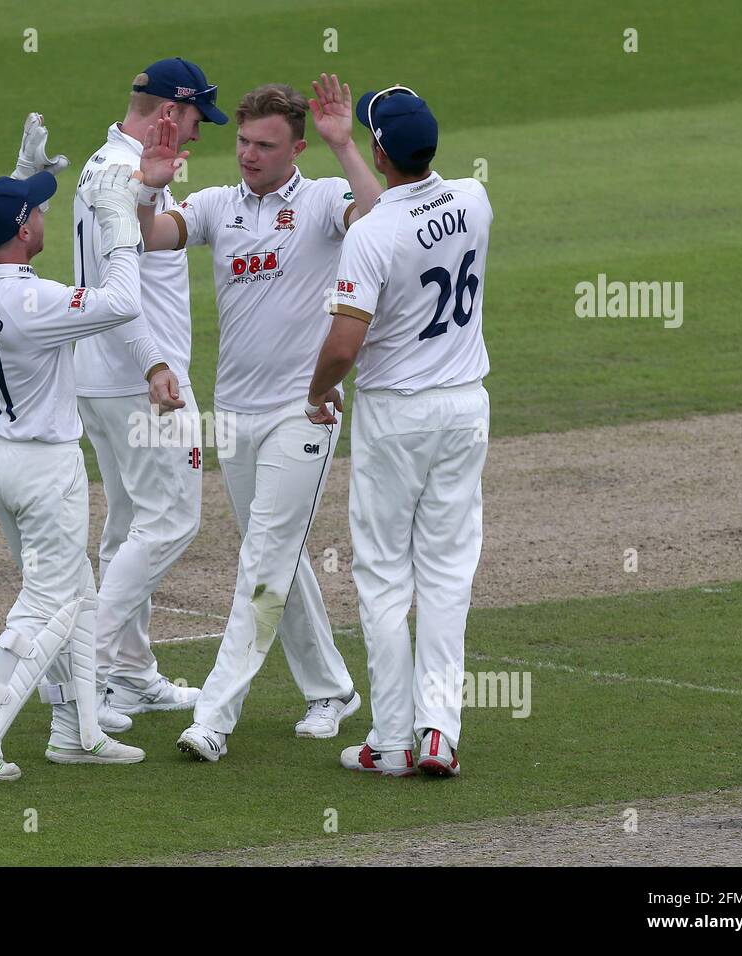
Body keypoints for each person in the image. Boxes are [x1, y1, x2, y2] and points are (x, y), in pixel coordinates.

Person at [136, 77, 383, 761]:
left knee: (262, 560)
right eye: (243, 141)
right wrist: (149, 185)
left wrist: (346, 147)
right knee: (277, 554)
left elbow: (383, 218)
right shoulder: (217, 204)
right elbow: (149, 236)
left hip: (305, 408)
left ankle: (213, 719)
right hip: (234, 415)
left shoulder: (325, 198)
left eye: (264, 145)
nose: (249, 154)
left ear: (296, 146)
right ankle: (332, 689)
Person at [0, 160, 163, 780]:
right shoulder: (31, 299)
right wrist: (121, 221)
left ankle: (77, 730)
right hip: (46, 469)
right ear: (22, 230)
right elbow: (120, 302)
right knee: (48, 602)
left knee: (78, 594)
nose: (45, 216)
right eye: (35, 208)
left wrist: (17, 174)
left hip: (4, 461)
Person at [306, 87, 492, 778]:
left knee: (384, 575)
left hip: (395, 414)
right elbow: (407, 211)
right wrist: (345, 145)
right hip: (465, 406)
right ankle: (439, 731)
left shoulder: (372, 233)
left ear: (381, 152)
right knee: (446, 574)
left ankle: (389, 742)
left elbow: (345, 346)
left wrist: (317, 390)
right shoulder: (474, 198)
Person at [72, 58, 228, 729]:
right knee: (171, 521)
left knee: (132, 524)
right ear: (170, 109)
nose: (199, 133)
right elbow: (119, 287)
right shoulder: (119, 173)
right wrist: (153, 364)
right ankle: (83, 666)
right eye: (196, 118)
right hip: (140, 381)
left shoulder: (109, 165)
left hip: (105, 379)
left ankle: (127, 675)